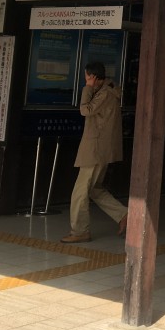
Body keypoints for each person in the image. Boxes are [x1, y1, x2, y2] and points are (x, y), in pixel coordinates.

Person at [61, 62, 128, 243]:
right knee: (94, 189)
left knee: (80, 192)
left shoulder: (105, 93)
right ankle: (124, 215)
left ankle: (80, 231)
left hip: (96, 149)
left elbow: (85, 110)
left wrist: (87, 89)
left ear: (96, 78)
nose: (87, 81)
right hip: (100, 148)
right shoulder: (109, 92)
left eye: (88, 78)